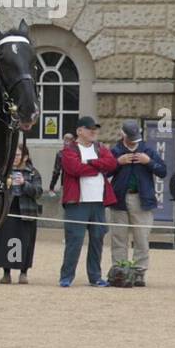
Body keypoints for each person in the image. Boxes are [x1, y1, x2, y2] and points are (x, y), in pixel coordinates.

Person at [58, 115, 117, 288]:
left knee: (97, 239)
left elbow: (112, 163)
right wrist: (98, 167)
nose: (93, 132)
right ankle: (66, 276)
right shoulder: (70, 149)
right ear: (79, 131)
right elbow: (74, 168)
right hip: (77, 202)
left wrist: (91, 163)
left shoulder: (100, 148)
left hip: (98, 202)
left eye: (95, 129)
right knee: (74, 240)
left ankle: (95, 276)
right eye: (89, 128)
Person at [107, 120, 166, 287]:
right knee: (119, 237)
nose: (134, 141)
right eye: (131, 138)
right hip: (119, 198)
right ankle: (120, 269)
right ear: (123, 134)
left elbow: (162, 171)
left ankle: (139, 271)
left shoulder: (147, 150)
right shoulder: (115, 151)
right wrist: (118, 162)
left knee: (141, 237)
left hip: (141, 199)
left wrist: (149, 162)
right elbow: (104, 172)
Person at [0, 139, 43, 283]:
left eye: (18, 155)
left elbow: (38, 192)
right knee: (6, 241)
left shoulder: (33, 172)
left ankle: (23, 272)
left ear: (25, 157)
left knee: (25, 243)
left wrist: (25, 184)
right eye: (14, 155)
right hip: (8, 209)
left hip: (26, 212)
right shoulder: (4, 171)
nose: (16, 158)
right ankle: (6, 272)